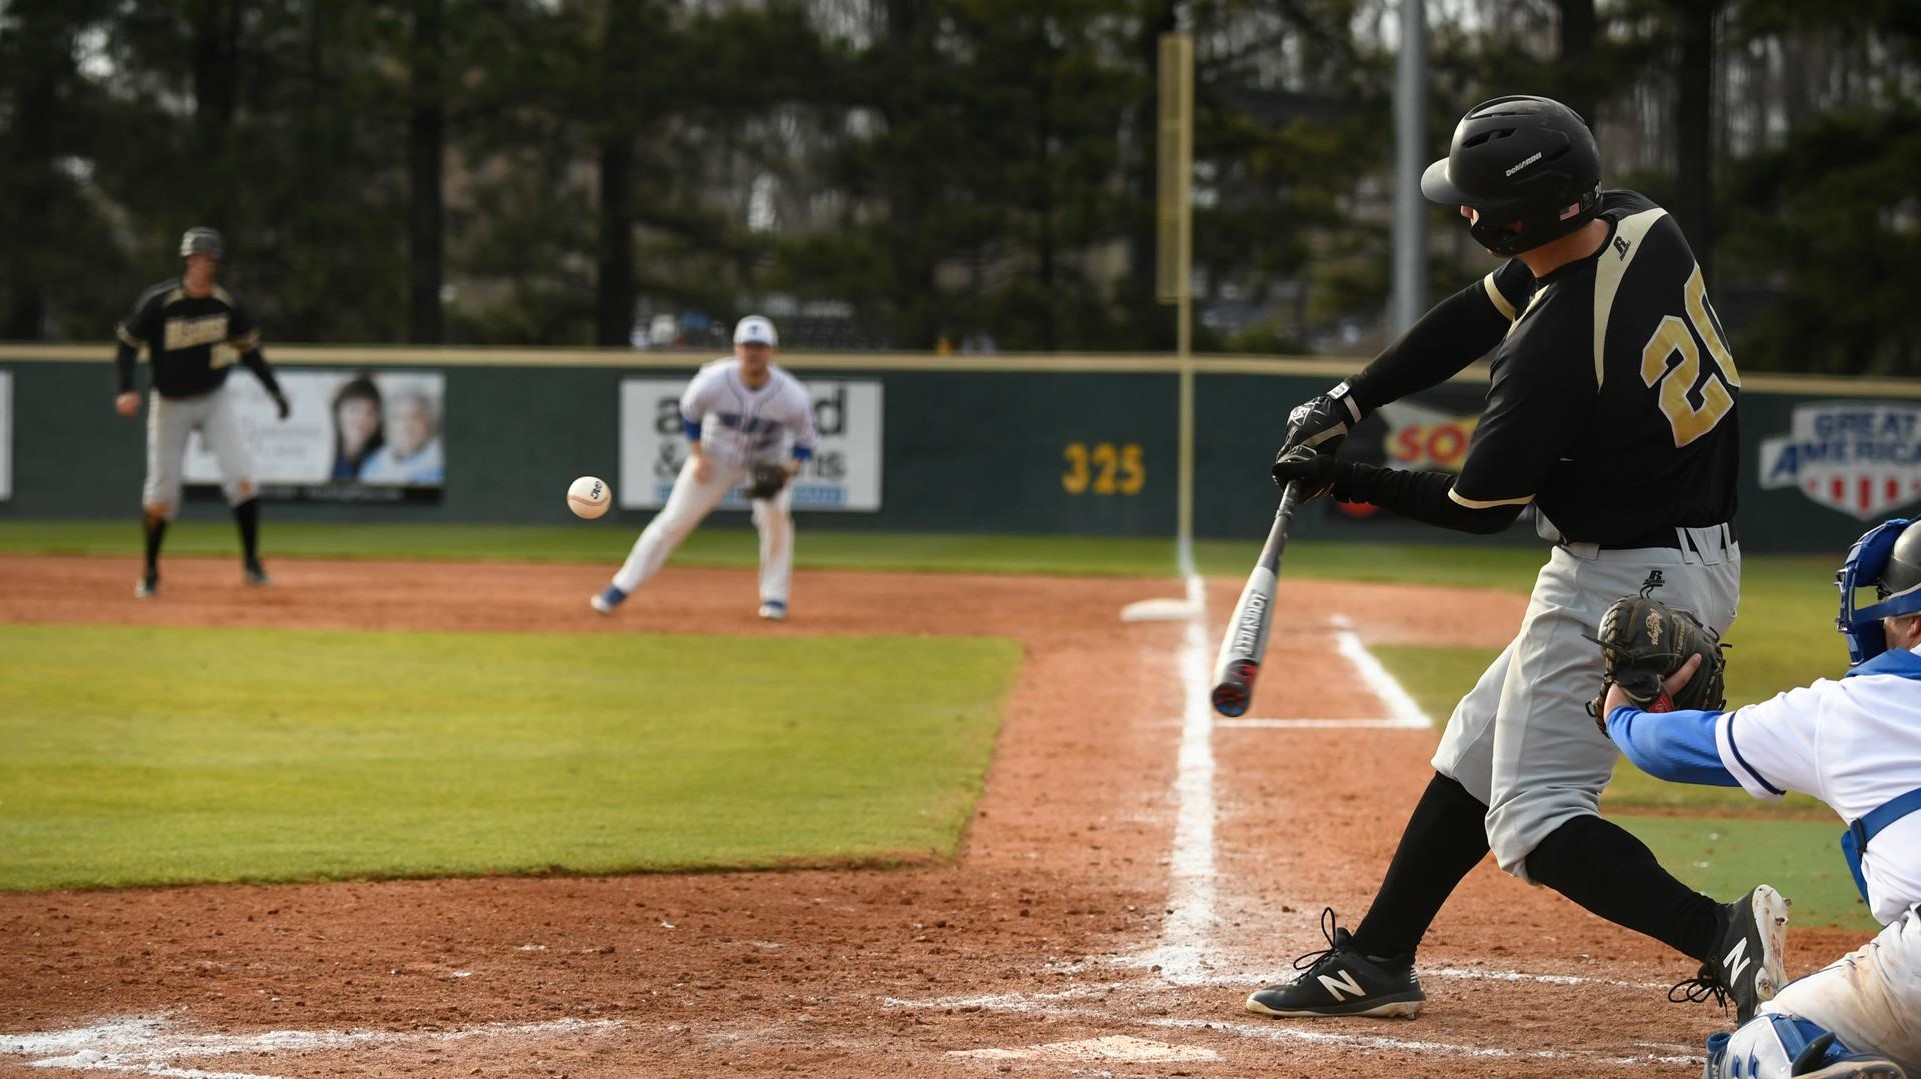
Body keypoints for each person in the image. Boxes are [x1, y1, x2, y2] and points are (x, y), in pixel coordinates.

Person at [1250, 95, 1782, 1023]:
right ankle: (1377, 957)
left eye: (1471, 203)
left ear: (1498, 225)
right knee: (1476, 752)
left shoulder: (1552, 354)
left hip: (1625, 576)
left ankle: (1722, 933)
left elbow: (1475, 506)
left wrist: (1344, 475)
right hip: (1681, 546)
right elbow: (1477, 311)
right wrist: (1353, 396)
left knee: (1533, 818)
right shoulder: (1634, 219)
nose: (1460, 211)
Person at [1603, 519, 1920, 1079]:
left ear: (1912, 620)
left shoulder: (1846, 709)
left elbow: (1666, 749)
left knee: (1760, 1045)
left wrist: (1623, 708)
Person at [592, 314, 817, 621]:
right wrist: (697, 455)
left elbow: (806, 439)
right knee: (673, 520)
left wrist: (787, 472)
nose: (753, 352)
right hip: (715, 457)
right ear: (736, 348)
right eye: (747, 345)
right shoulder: (714, 379)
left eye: (760, 346)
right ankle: (619, 587)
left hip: (765, 460)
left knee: (776, 520)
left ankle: (775, 599)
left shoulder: (792, 395)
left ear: (772, 351)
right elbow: (690, 413)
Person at [114, 226, 289, 598]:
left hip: (214, 399)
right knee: (163, 493)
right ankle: (149, 571)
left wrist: (274, 391)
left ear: (216, 265)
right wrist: (125, 388)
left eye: (208, 260)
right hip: (170, 402)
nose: (201, 266)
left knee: (242, 478)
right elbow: (127, 344)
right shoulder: (159, 302)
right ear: (185, 262)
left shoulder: (226, 305)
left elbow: (250, 352)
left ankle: (252, 565)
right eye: (195, 259)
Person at [358, 389, 444, 485]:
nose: (406, 425)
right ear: (387, 426)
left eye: (414, 417)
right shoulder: (373, 465)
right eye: (397, 417)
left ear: (429, 423)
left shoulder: (441, 465)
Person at [330, 375, 384, 480]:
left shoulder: (381, 461)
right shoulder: (320, 456)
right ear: (337, 412)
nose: (363, 418)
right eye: (354, 409)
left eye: (371, 412)